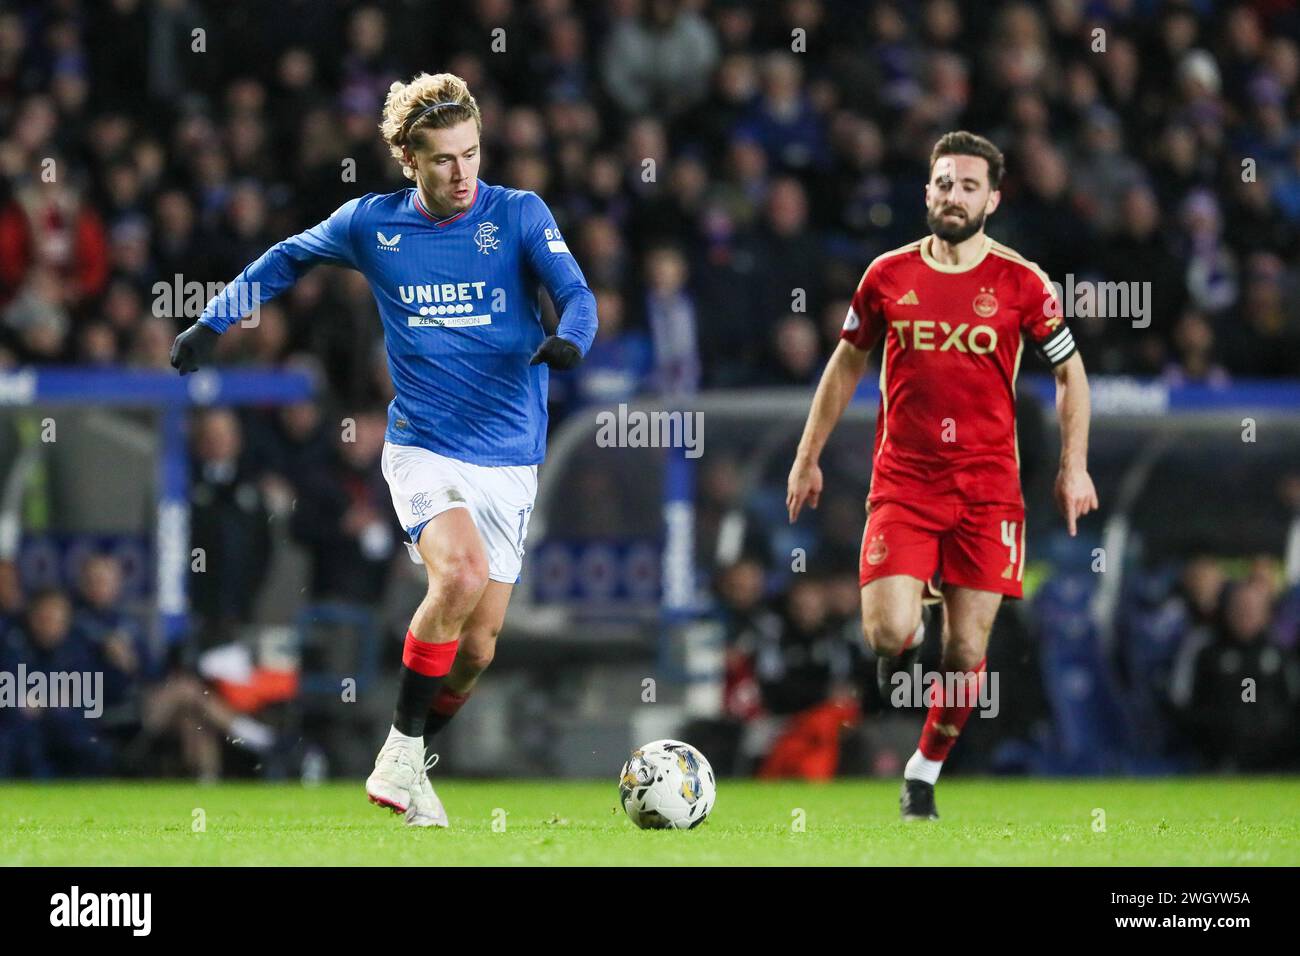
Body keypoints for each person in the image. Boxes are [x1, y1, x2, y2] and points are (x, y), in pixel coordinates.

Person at [168, 72, 598, 827]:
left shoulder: (519, 215)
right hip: (423, 447)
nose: (463, 173)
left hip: (511, 459)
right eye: (443, 159)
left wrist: (570, 340)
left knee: (480, 648)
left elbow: (579, 293)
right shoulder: (372, 225)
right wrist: (212, 321)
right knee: (458, 574)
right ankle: (400, 752)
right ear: (409, 158)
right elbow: (284, 258)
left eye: (471, 153)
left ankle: (413, 760)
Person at [786, 131, 1098, 820]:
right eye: (941, 183)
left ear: (991, 197)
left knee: (964, 653)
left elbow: (1071, 373)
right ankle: (911, 608)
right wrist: (808, 456)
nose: (951, 196)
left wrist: (1073, 467)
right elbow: (845, 365)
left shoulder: (1023, 282)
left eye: (965, 186)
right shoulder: (886, 276)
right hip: (906, 483)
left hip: (990, 493)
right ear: (926, 191)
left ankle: (922, 772)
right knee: (889, 635)